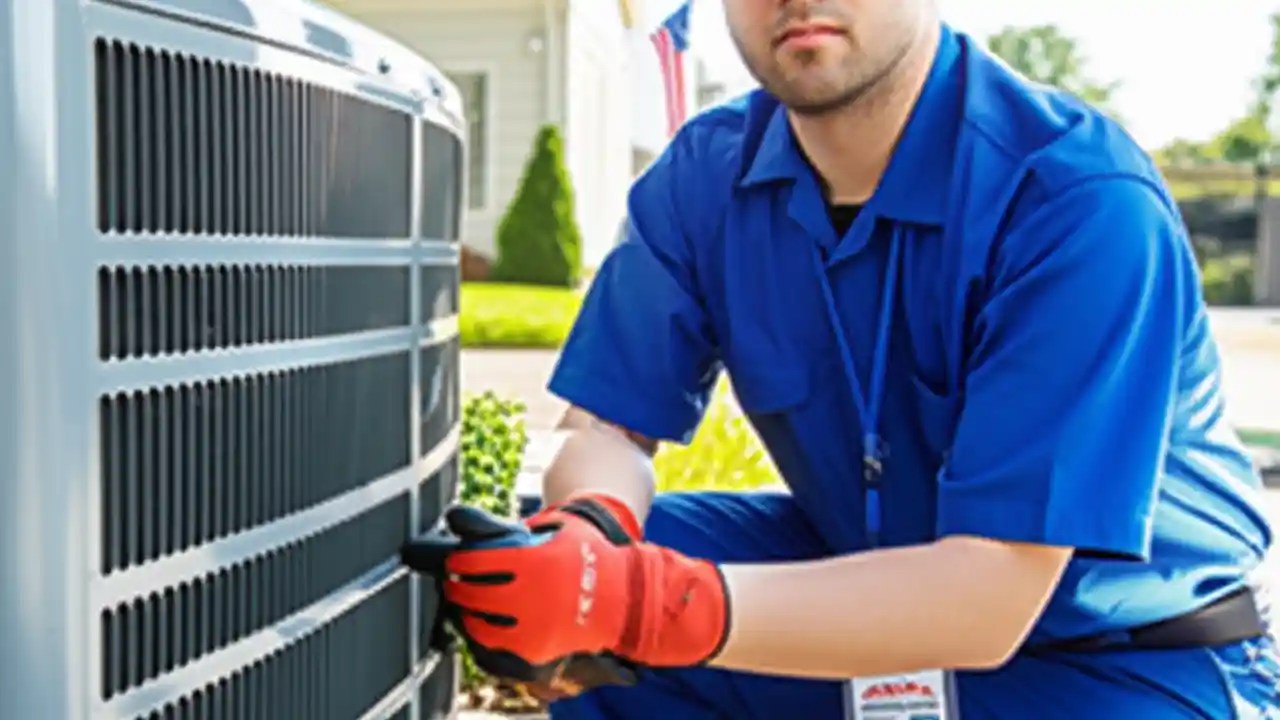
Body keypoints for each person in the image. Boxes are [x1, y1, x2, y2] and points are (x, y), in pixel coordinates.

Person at [408, 1, 1279, 717]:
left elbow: (990, 594)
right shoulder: (706, 176)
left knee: (640, 599)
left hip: (1126, 657)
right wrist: (588, 538)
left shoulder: (1075, 199)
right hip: (864, 586)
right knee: (582, 561)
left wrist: (645, 603)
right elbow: (606, 427)